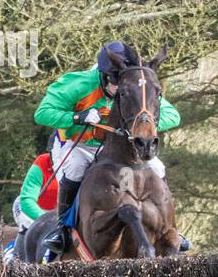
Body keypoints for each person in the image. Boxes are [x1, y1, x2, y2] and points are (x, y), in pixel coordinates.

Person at [34, 41, 181, 255]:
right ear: (104, 75)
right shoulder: (77, 84)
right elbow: (42, 113)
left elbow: (172, 116)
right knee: (75, 167)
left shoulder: (134, 87)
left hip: (117, 147)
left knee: (157, 168)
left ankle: (169, 228)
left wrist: (144, 124)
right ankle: (62, 228)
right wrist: (77, 117)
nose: (116, 88)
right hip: (78, 144)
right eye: (114, 81)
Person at [12, 149, 59, 232]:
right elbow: (27, 201)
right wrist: (48, 219)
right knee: (34, 232)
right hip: (26, 208)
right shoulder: (41, 163)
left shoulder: (76, 166)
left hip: (55, 214)